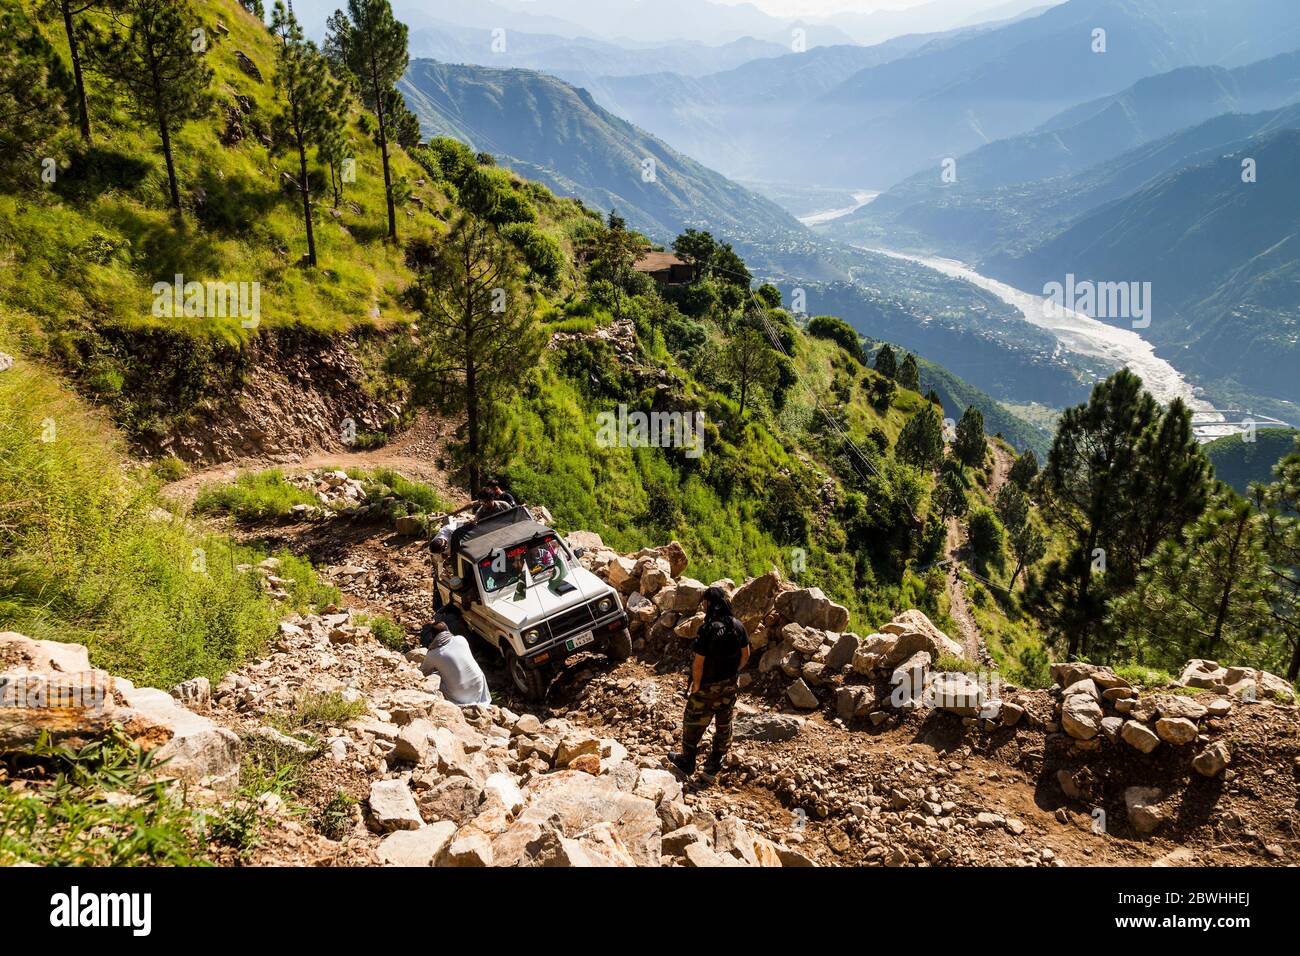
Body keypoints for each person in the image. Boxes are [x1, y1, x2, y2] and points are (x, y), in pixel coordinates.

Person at [669, 586, 751, 778]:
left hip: (707, 686)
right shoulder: (738, 625)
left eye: (704, 602)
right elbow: (746, 654)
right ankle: (714, 762)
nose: (703, 605)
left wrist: (696, 685)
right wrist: (733, 672)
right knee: (724, 722)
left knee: (692, 721)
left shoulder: (706, 629)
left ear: (709, 604)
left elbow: (698, 663)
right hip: (730, 684)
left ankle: (687, 761)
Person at [419, 620, 492, 706]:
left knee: (436, 676)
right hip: (479, 687)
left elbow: (423, 673)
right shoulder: (461, 639)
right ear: (447, 630)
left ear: (433, 636)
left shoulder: (433, 654)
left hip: (460, 695)